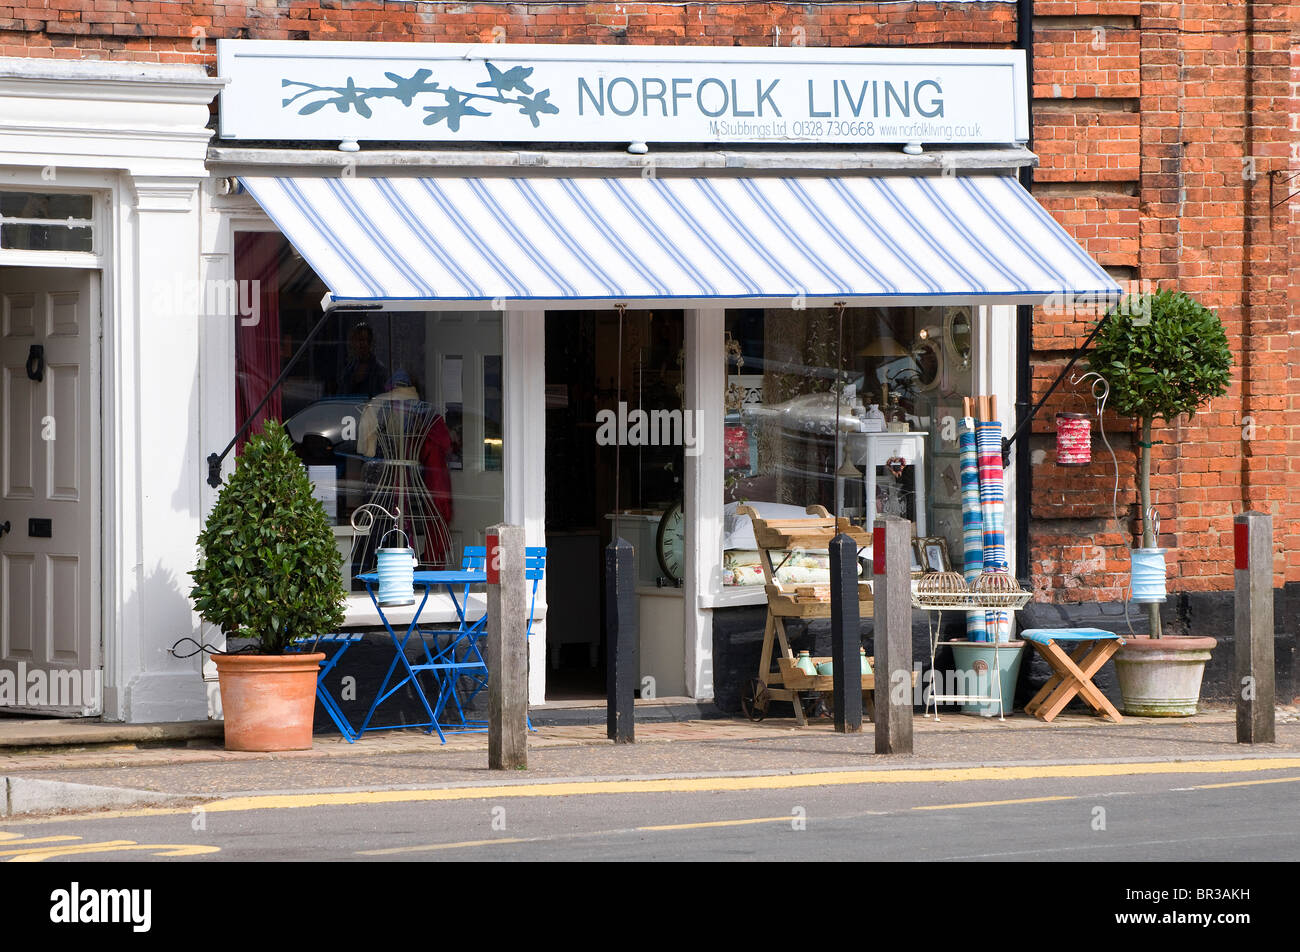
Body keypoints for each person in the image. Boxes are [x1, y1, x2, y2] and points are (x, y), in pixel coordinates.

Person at [334, 322, 388, 398]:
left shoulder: (379, 370)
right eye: (359, 340)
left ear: (370, 343)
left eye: (366, 340)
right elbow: (341, 395)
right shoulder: (349, 369)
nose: (363, 344)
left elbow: (381, 399)